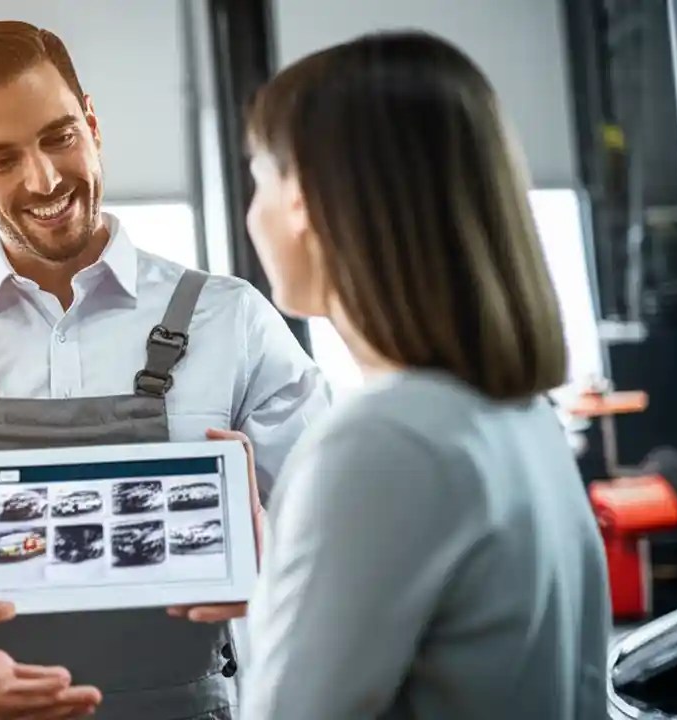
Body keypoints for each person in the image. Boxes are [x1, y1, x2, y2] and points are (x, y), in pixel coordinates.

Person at [0, 20, 331, 720]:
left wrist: (271, 548)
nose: (44, 179)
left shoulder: (232, 324)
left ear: (91, 123)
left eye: (59, 137)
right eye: (0, 159)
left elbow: (334, 537)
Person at [218, 30, 609, 718]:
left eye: (258, 178)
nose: (253, 213)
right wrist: (271, 574)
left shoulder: (381, 442)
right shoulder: (519, 418)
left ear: (303, 194)